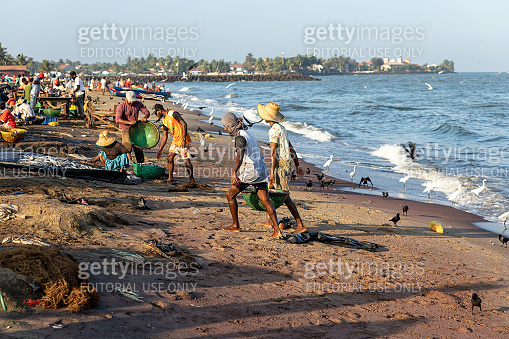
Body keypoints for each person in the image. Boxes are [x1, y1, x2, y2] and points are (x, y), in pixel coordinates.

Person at [220, 112, 282, 237]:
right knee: (265, 200)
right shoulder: (249, 134)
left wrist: (234, 173)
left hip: (250, 172)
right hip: (261, 170)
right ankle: (277, 230)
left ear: (231, 125)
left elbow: (240, 155)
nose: (225, 128)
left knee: (230, 195)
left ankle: (235, 225)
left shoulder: (240, 137)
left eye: (225, 126)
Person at [257, 102, 307, 233]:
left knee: (285, 197)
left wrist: (272, 172)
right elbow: (291, 148)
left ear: (267, 117)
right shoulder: (282, 128)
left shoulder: (273, 130)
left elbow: (273, 153)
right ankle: (269, 221)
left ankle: (300, 225)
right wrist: (297, 165)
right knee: (270, 192)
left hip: (280, 166)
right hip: (287, 164)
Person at [153, 103, 195, 184]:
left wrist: (183, 139)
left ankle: (192, 179)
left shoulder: (173, 113)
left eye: (156, 113)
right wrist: (160, 150)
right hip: (175, 141)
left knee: (186, 160)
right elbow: (165, 137)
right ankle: (170, 178)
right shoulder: (164, 121)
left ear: (159, 110)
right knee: (169, 157)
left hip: (182, 139)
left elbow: (184, 124)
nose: (156, 115)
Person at [115, 91, 150, 163]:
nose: (131, 103)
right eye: (130, 101)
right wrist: (129, 122)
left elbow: (146, 112)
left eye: (132, 101)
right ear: (126, 99)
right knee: (126, 149)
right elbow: (118, 119)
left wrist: (145, 116)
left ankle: (140, 165)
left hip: (135, 130)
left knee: (138, 148)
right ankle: (125, 165)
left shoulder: (138, 104)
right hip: (125, 129)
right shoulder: (121, 106)